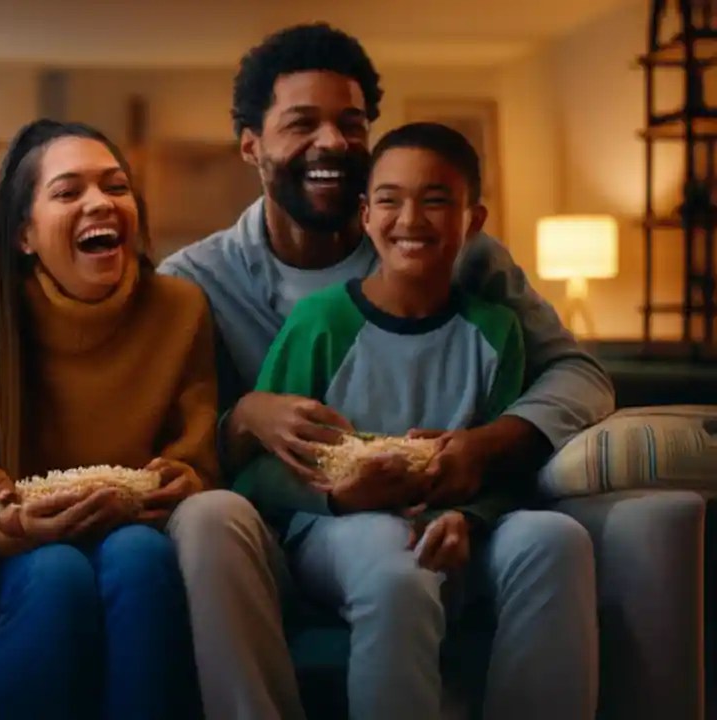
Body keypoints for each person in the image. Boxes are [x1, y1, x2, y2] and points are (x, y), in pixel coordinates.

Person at [154, 24, 614, 720]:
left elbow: (578, 374)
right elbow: (168, 435)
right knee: (218, 517)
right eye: (302, 124)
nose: (333, 144)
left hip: (449, 516)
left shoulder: (461, 260)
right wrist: (245, 417)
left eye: (351, 124)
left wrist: (488, 449)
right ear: (251, 145)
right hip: (296, 528)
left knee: (551, 537)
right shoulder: (193, 282)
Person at [230, 121, 596, 719]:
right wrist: (342, 497)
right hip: (337, 531)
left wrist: (469, 517)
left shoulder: (496, 331)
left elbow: (509, 467)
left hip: (459, 528)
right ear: (366, 216)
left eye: (435, 202)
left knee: (556, 537)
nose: (411, 220)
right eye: (390, 201)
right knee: (396, 562)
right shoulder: (321, 323)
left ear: (472, 222)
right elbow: (254, 473)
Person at [0, 119, 214, 720]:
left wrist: (182, 482)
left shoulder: (181, 308)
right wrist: (13, 522)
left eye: (115, 187)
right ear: (24, 234)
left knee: (138, 554)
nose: (100, 203)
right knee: (55, 571)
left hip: (141, 533)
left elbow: (196, 459)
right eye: (68, 192)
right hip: (19, 548)